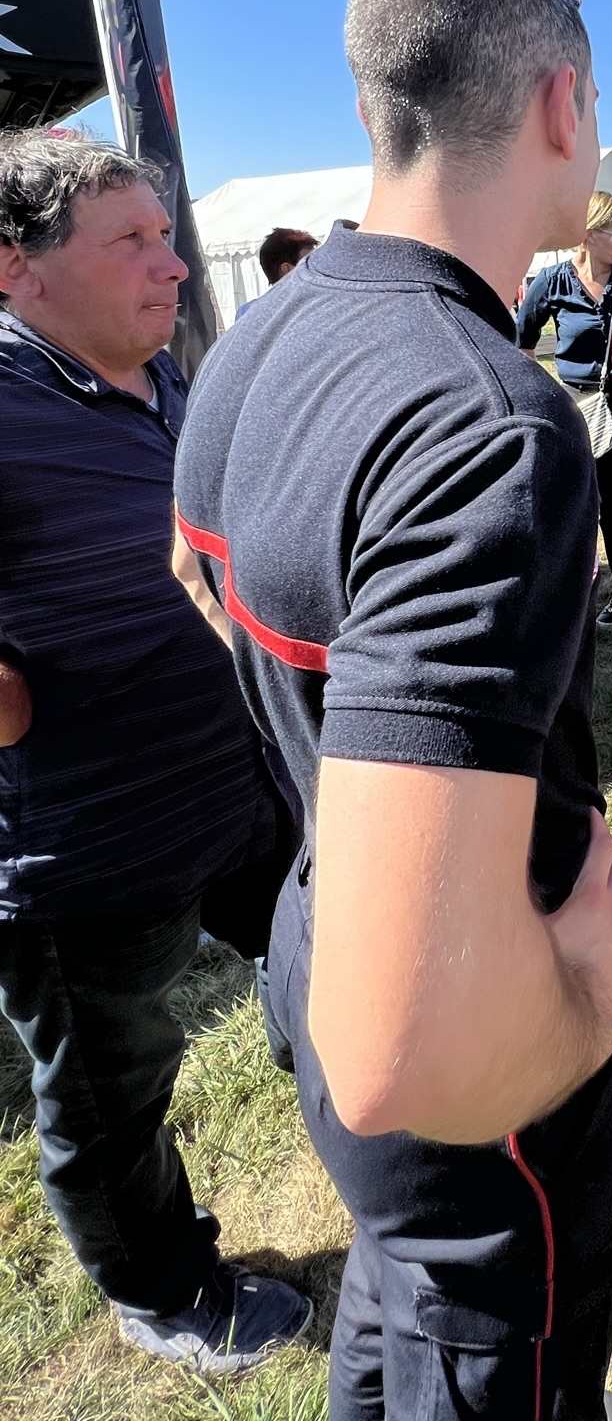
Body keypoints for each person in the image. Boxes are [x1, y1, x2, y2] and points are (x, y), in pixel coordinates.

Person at [177, 0, 612, 1421]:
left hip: (330, 915)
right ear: (563, 103)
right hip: (465, 1028)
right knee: (493, 1346)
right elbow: (400, 1057)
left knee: (404, 1294)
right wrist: (579, 991)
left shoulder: (254, 335)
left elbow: (199, 577)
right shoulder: (486, 424)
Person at [0, 133, 310, 1375]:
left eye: (166, 234)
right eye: (129, 240)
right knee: (110, 1089)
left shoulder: (158, 379)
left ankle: (376, 1111)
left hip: (234, 785)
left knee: (319, 951)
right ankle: (166, 1287)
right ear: (13, 268)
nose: (171, 263)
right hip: (82, 848)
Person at [518, 191, 612, 626]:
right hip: (586, 403)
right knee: (611, 502)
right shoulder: (553, 281)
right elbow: (523, 342)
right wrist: (545, 396)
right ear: (591, 233)